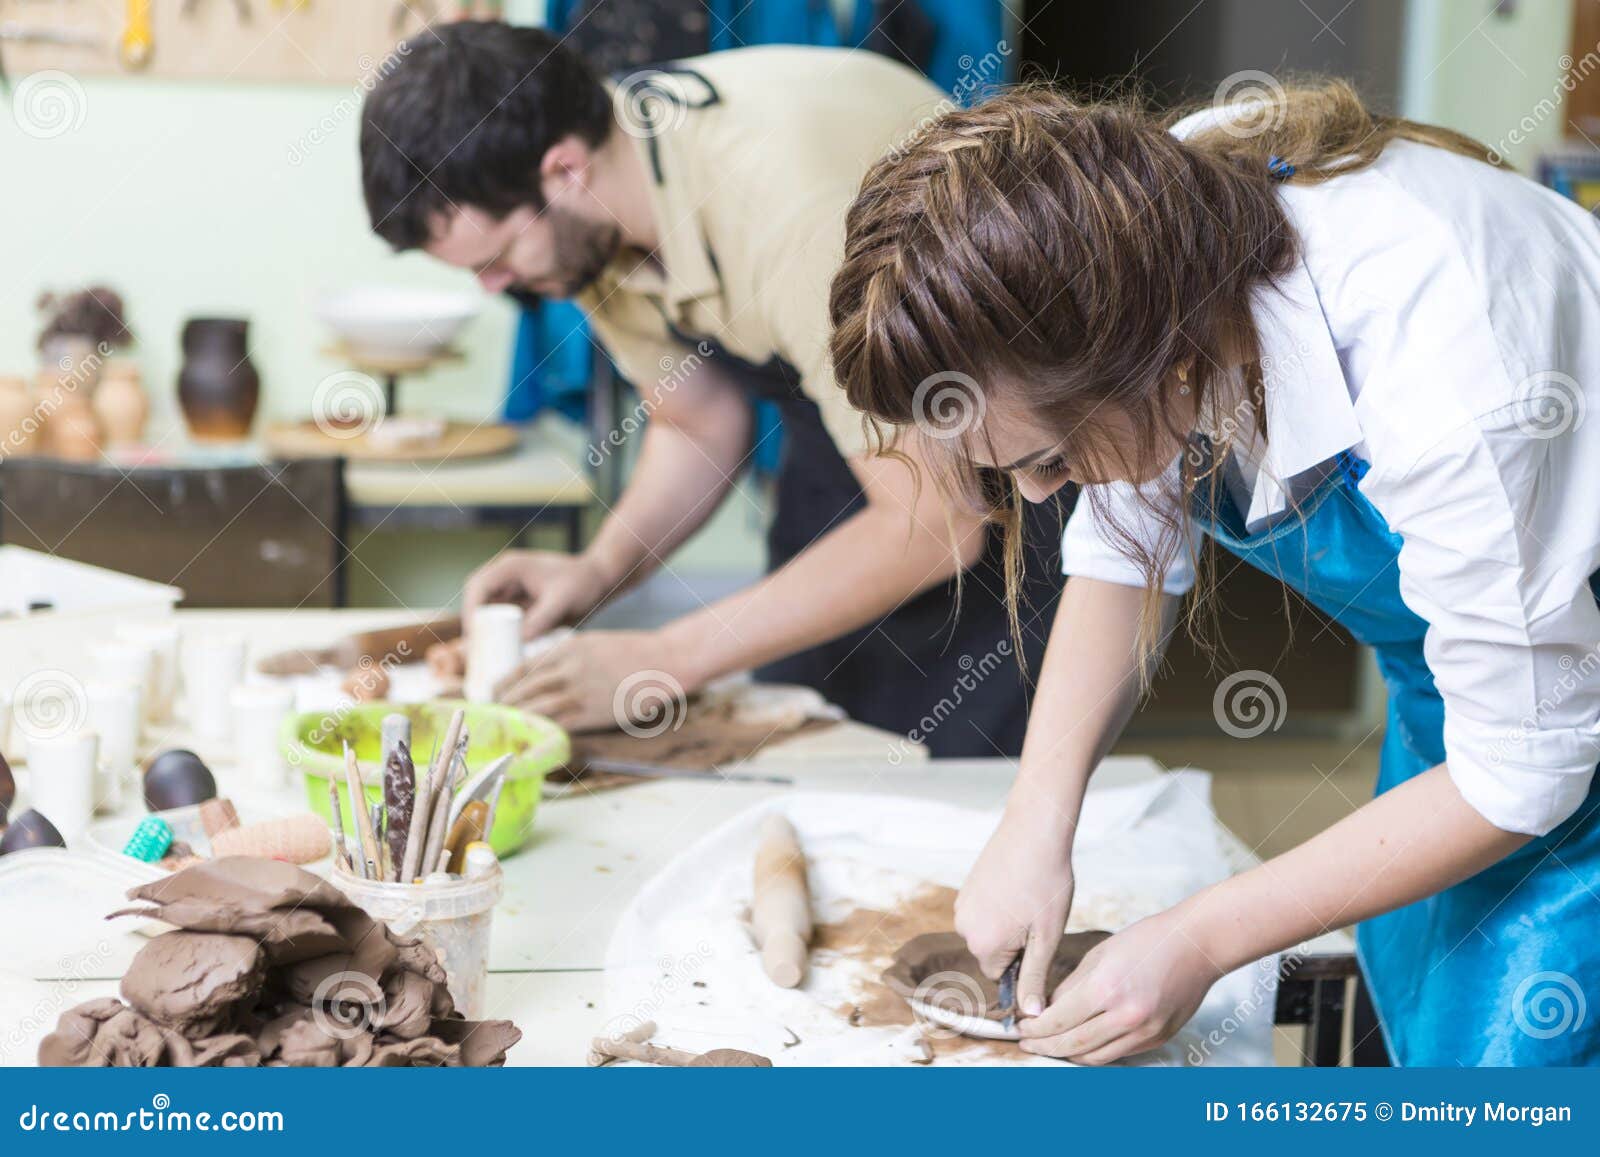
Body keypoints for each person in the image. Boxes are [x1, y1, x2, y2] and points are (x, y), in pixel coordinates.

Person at [825, 80, 1600, 1065]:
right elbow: (1120, 548)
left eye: (1047, 463)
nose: (1032, 498)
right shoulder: (1138, 230)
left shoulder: (1443, 361)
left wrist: (1201, 936)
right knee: (1421, 992)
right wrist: (1034, 820)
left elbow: (1524, 767)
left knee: (1512, 1067)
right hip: (1469, 697)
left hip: (1558, 696)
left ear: (1150, 362)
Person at [360, 24, 1061, 756]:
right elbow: (699, 421)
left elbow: (936, 526)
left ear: (564, 169)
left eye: (498, 257)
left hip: (1017, 456)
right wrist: (599, 570)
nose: (495, 287)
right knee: (801, 740)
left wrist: (670, 654)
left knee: (952, 800)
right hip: (853, 450)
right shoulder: (595, 221)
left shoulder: (789, 212)